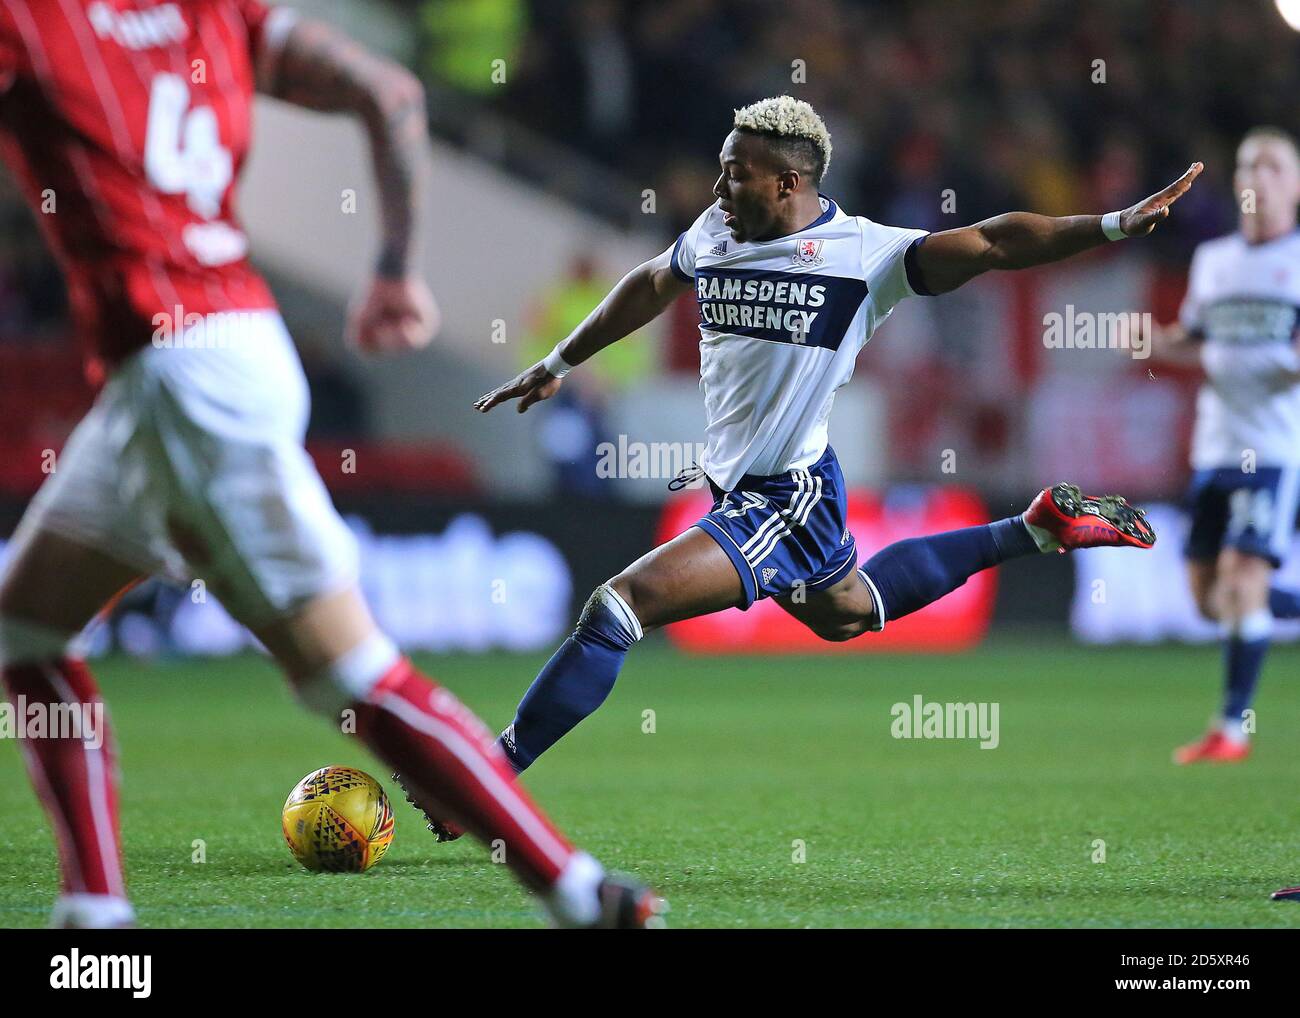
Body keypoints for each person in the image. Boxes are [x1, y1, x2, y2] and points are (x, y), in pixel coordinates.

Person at [0, 0, 656, 929]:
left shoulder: (33, 21)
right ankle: (93, 916)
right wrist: (394, 267)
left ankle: (583, 895)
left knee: (350, 675)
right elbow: (387, 91)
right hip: (213, 350)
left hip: (181, 376)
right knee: (27, 630)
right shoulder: (211, 12)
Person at [406, 95, 1198, 840]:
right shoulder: (716, 231)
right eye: (721, 168)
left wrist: (1115, 224)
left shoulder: (864, 256)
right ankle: (1035, 530)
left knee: (618, 607)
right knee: (848, 613)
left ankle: (484, 776)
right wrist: (560, 359)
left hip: (781, 494)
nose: (719, 184)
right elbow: (651, 282)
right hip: (771, 488)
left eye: (734, 171)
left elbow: (994, 242)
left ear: (787, 183)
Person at [1147, 127, 1300, 765]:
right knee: (1210, 601)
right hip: (1214, 448)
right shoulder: (1214, 261)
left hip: (1273, 450)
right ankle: (1272, 604)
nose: (1255, 176)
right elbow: (1194, 339)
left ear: (1294, 185)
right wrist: (1157, 343)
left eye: (1271, 166)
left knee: (1241, 579)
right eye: (1246, 165)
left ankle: (1230, 729)